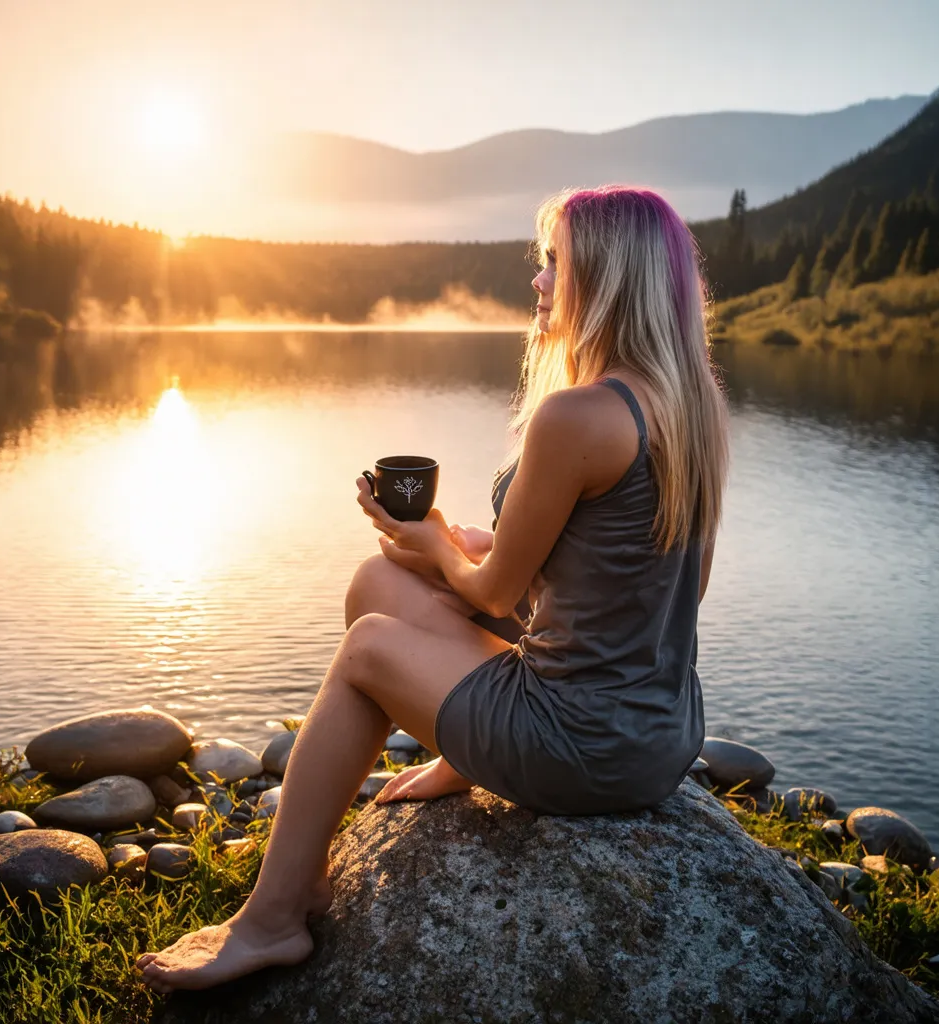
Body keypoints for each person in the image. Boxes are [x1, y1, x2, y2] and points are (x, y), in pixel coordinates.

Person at [136, 184, 730, 993]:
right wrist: (455, 547)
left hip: (584, 745)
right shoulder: (688, 405)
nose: (539, 280)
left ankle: (273, 920)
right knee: (380, 579)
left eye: (554, 261)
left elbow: (491, 595)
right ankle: (456, 761)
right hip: (661, 732)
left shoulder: (577, 417)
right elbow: (646, 583)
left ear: (604, 276)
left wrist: (440, 547)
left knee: (368, 645)